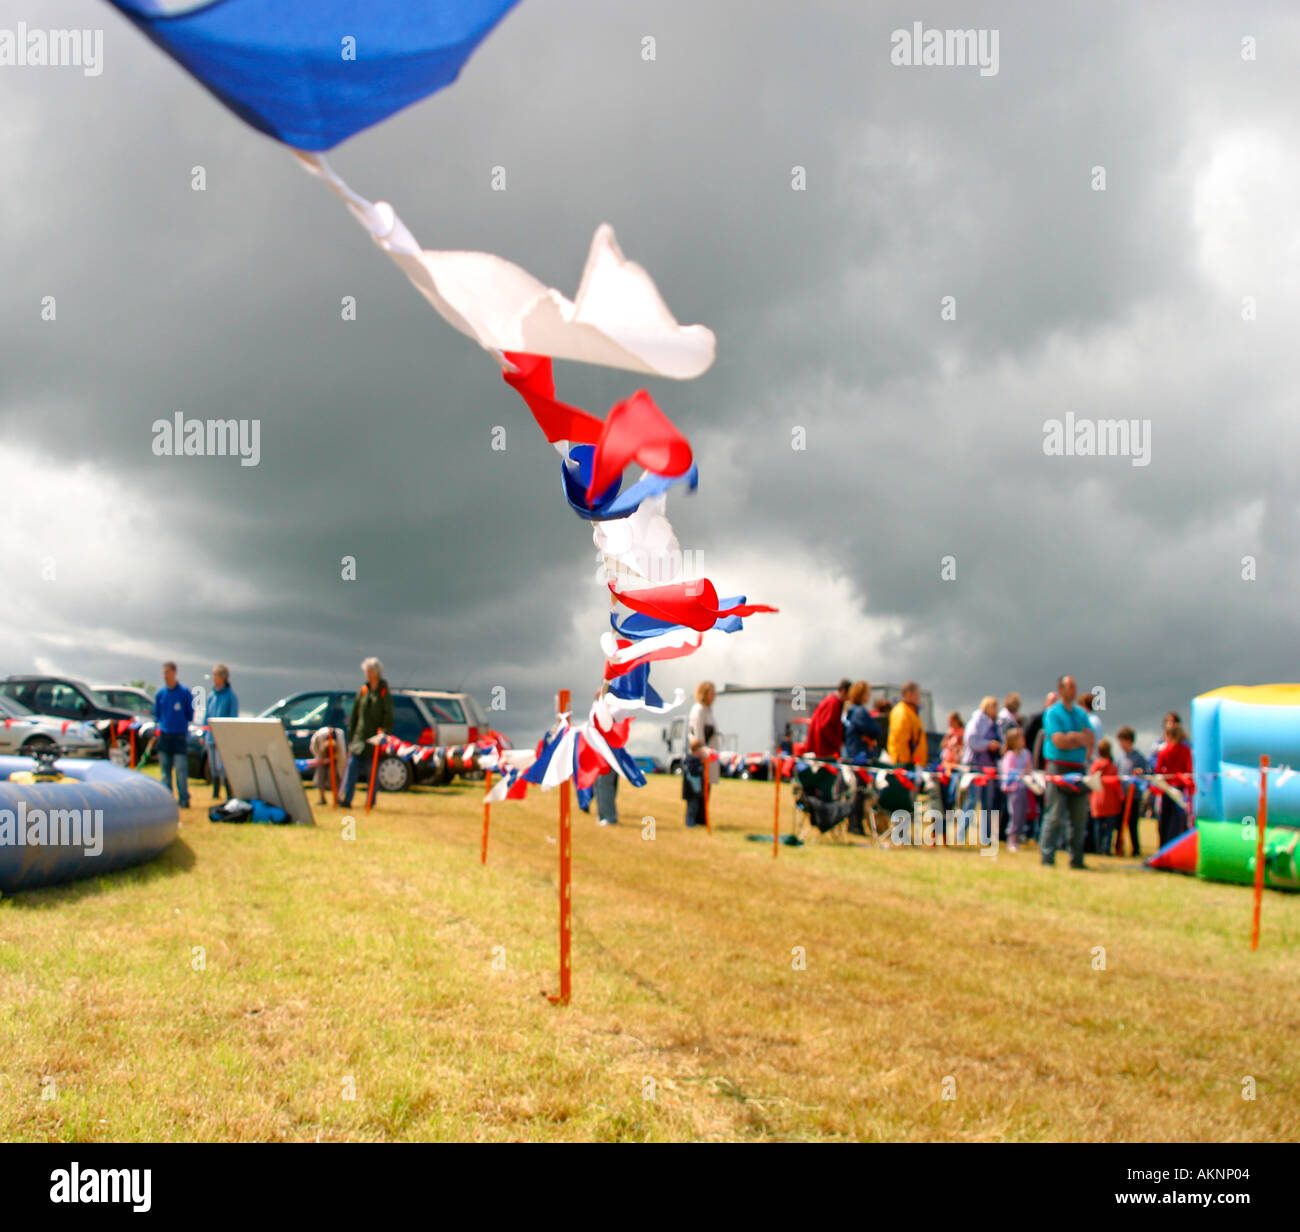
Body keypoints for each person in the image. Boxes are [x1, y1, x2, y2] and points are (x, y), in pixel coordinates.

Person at [1040, 675, 1095, 869]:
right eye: (1070, 686)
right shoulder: (1052, 713)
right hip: (1058, 768)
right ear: (1061, 689)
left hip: (1079, 769)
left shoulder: (1081, 714)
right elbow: (1058, 741)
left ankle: (1077, 860)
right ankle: (1047, 858)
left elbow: (1090, 738)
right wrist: (1076, 739)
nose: (1074, 690)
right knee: (1054, 815)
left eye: (1075, 686)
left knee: (1079, 816)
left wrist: (1072, 737)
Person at [338, 657, 394, 808]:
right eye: (366, 672)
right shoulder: (363, 690)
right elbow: (355, 715)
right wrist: (351, 737)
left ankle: (370, 801)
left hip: (374, 739)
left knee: (372, 772)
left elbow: (388, 714)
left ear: (377, 673)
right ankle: (346, 799)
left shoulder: (383, 691)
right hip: (359, 738)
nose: (368, 675)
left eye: (370, 672)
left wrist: (383, 733)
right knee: (352, 769)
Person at [153, 661, 194, 809]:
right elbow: (156, 714)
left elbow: (190, 714)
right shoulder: (161, 694)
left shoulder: (184, 692)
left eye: (167, 672)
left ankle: (184, 799)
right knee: (165, 771)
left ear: (174, 672)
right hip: (165, 736)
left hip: (179, 737)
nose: (165, 676)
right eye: (164, 672)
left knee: (181, 770)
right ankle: (167, 800)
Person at [963, 696, 1003, 830]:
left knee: (988, 803)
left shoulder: (995, 724)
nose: (996, 710)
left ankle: (986, 836)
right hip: (976, 765)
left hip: (989, 767)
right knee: (973, 800)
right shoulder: (977, 720)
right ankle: (961, 833)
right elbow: (972, 741)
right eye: (994, 706)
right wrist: (988, 744)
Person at [683, 681, 718, 828]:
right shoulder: (698, 710)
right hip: (700, 757)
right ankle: (694, 819)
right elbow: (697, 736)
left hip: (709, 756)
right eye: (711, 692)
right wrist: (703, 752)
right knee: (696, 791)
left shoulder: (708, 710)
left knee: (706, 788)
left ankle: (702, 818)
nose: (714, 695)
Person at [1154, 722, 1193, 849]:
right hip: (1179, 790)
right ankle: (1174, 847)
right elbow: (1188, 769)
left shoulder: (1164, 751)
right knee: (1177, 822)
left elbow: (1158, 771)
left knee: (1165, 820)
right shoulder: (1185, 750)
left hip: (1167, 790)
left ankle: (1163, 848)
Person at [204, 662, 238, 801]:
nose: (213, 678)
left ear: (223, 677)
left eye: (215, 675)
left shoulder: (231, 696)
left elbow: (233, 717)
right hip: (210, 737)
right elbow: (207, 715)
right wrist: (204, 732)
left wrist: (227, 734)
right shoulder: (212, 696)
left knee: (222, 766)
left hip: (222, 738)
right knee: (213, 766)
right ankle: (215, 792)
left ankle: (229, 793)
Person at [1114, 725, 1148, 856]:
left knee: (1132, 823)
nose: (1120, 744)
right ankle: (1118, 847)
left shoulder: (1138, 757)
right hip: (1121, 795)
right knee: (1119, 822)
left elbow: (1145, 772)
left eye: (1122, 741)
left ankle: (1136, 849)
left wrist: (1140, 772)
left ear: (1128, 740)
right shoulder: (1120, 757)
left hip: (1134, 796)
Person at [1089, 738, 1124, 855]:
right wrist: (1121, 797)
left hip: (1096, 802)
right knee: (1109, 829)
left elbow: (1090, 783)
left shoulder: (1094, 767)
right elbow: (1116, 785)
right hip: (1110, 803)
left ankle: (1098, 848)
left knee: (1097, 828)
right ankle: (1106, 849)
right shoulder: (1112, 767)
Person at [999, 728, 1032, 851]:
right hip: (1014, 789)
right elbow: (1009, 772)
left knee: (1023, 814)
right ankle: (1011, 839)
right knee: (1015, 814)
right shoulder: (1009, 756)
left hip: (1025, 787)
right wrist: (1021, 773)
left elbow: (1029, 768)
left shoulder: (1026, 753)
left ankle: (1018, 837)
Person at [887, 681, 928, 768]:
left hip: (913, 764)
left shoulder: (910, 712)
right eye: (917, 695)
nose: (919, 698)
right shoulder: (902, 712)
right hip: (904, 766)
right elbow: (900, 742)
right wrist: (905, 764)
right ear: (909, 694)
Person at [807, 680, 849, 762]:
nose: (848, 699)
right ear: (844, 691)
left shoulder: (832, 701)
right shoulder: (833, 703)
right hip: (825, 750)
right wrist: (837, 742)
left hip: (823, 749)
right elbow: (824, 726)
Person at [842, 681, 882, 764]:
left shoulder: (849, 710)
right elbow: (874, 730)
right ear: (861, 694)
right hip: (861, 755)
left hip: (851, 752)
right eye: (867, 693)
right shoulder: (860, 711)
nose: (869, 696)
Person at [309, 725, 346, 806]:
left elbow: (342, 757)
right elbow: (313, 747)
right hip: (321, 755)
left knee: (334, 777)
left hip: (336, 758)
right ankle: (322, 798)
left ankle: (337, 798)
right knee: (320, 776)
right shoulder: (319, 736)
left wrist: (333, 759)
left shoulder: (340, 740)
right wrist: (320, 758)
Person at [1023, 691, 1057, 771]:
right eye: (1052, 702)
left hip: (1050, 759)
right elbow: (1026, 737)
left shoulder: (1058, 721)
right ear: (1046, 702)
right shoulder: (1036, 719)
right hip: (1036, 757)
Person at [940, 710, 964, 809]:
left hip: (955, 766)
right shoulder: (950, 732)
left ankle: (952, 808)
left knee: (952, 792)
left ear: (955, 721)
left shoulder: (962, 732)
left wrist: (955, 749)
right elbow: (943, 745)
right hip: (946, 765)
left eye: (949, 721)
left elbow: (961, 748)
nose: (948, 723)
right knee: (944, 793)